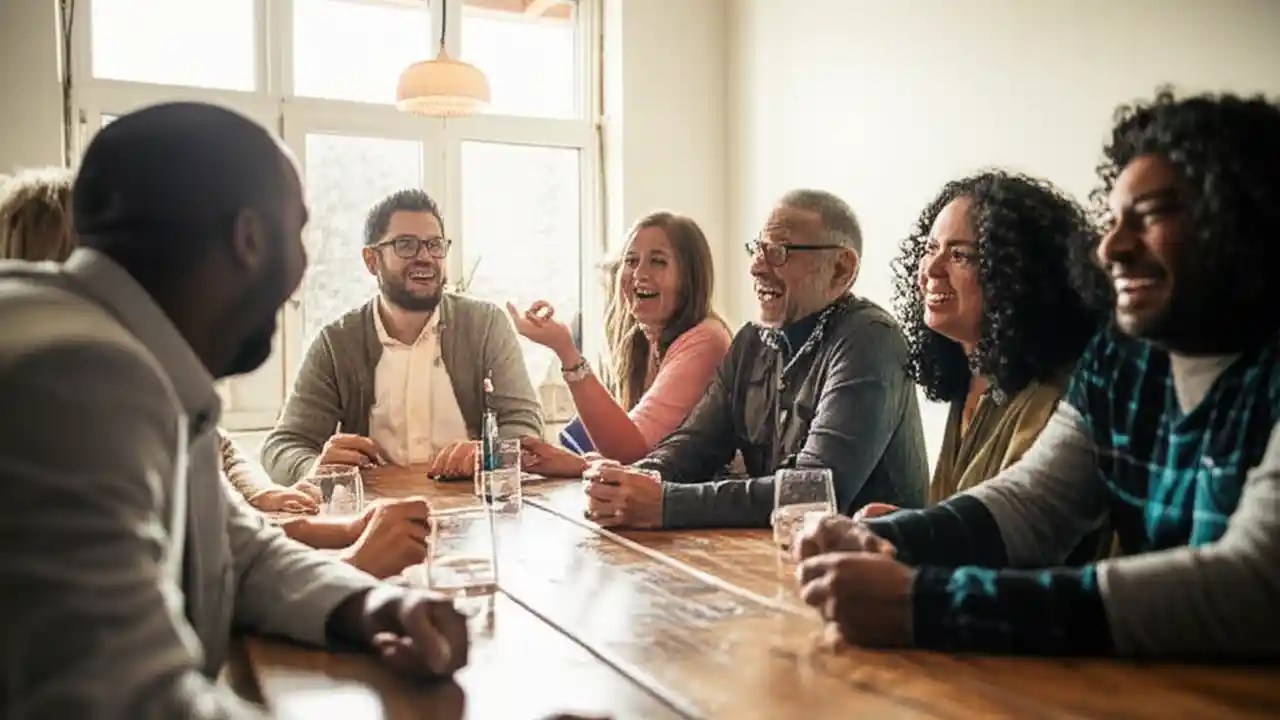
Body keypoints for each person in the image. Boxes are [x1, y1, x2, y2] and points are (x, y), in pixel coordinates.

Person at [0, 102, 467, 716]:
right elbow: (132, 702)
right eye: (298, 233)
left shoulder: (122, 348)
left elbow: (236, 551)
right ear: (249, 238)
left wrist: (368, 605)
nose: (301, 272)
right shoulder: (77, 374)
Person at [795, 90, 1280, 658]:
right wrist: (882, 539)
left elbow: (1254, 589)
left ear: (1242, 219)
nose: (1112, 248)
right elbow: (1032, 506)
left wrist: (927, 602)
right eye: (1114, 220)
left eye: (1148, 218)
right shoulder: (1121, 358)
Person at [583, 189, 928, 529]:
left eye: (778, 252)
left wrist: (666, 503)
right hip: (777, 561)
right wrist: (630, 480)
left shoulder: (869, 340)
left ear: (841, 269)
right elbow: (695, 444)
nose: (756, 267)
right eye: (757, 249)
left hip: (869, 572)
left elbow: (816, 490)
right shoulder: (752, 341)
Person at [855, 171, 1098, 521]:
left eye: (960, 256)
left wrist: (912, 533)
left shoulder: (1054, 397)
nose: (932, 269)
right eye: (930, 249)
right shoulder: (970, 374)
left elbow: (1019, 536)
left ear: (1017, 273)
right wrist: (906, 525)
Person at [261, 188, 543, 486]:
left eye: (434, 245)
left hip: (476, 513)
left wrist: (489, 453)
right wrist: (314, 468)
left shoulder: (485, 325)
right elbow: (282, 448)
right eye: (406, 245)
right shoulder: (337, 343)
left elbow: (526, 427)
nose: (425, 257)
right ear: (372, 260)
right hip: (378, 520)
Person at [510, 211, 731, 476]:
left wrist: (567, 353)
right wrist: (581, 463)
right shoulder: (641, 339)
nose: (639, 273)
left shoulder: (706, 341)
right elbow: (636, 461)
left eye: (658, 262)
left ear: (690, 278)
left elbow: (629, 451)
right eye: (631, 261)